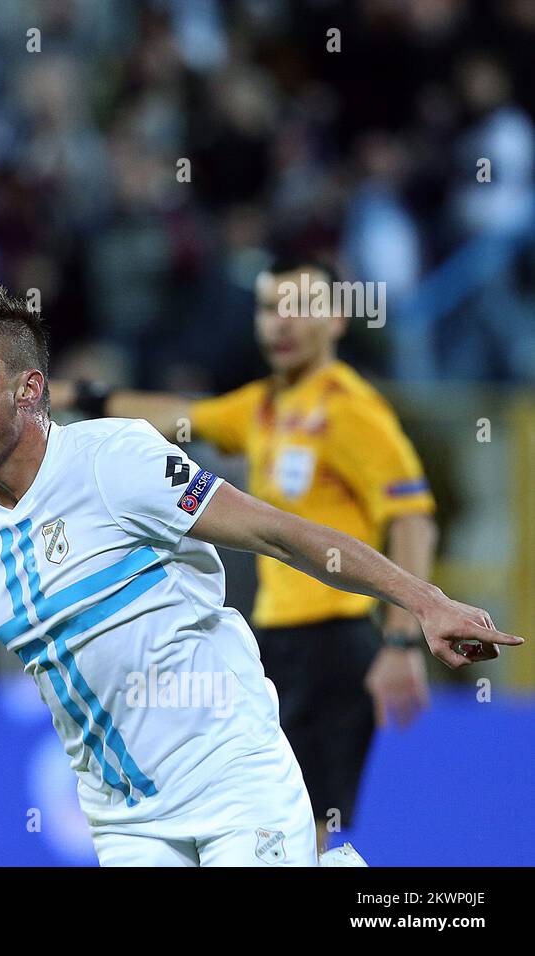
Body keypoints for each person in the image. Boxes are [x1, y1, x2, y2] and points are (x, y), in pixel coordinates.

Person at [0, 283, 520, 867]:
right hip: (124, 824)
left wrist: (425, 602)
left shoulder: (116, 460)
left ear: (28, 391)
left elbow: (277, 531)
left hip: (230, 772)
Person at [54, 255, 436, 851]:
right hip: (273, 646)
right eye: (267, 308)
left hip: (334, 647)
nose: (279, 324)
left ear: (338, 320)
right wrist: (82, 396)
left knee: (298, 836)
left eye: (299, 308)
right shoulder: (264, 405)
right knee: (275, 838)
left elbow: (413, 520)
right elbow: (179, 416)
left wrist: (401, 639)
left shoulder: (351, 409)